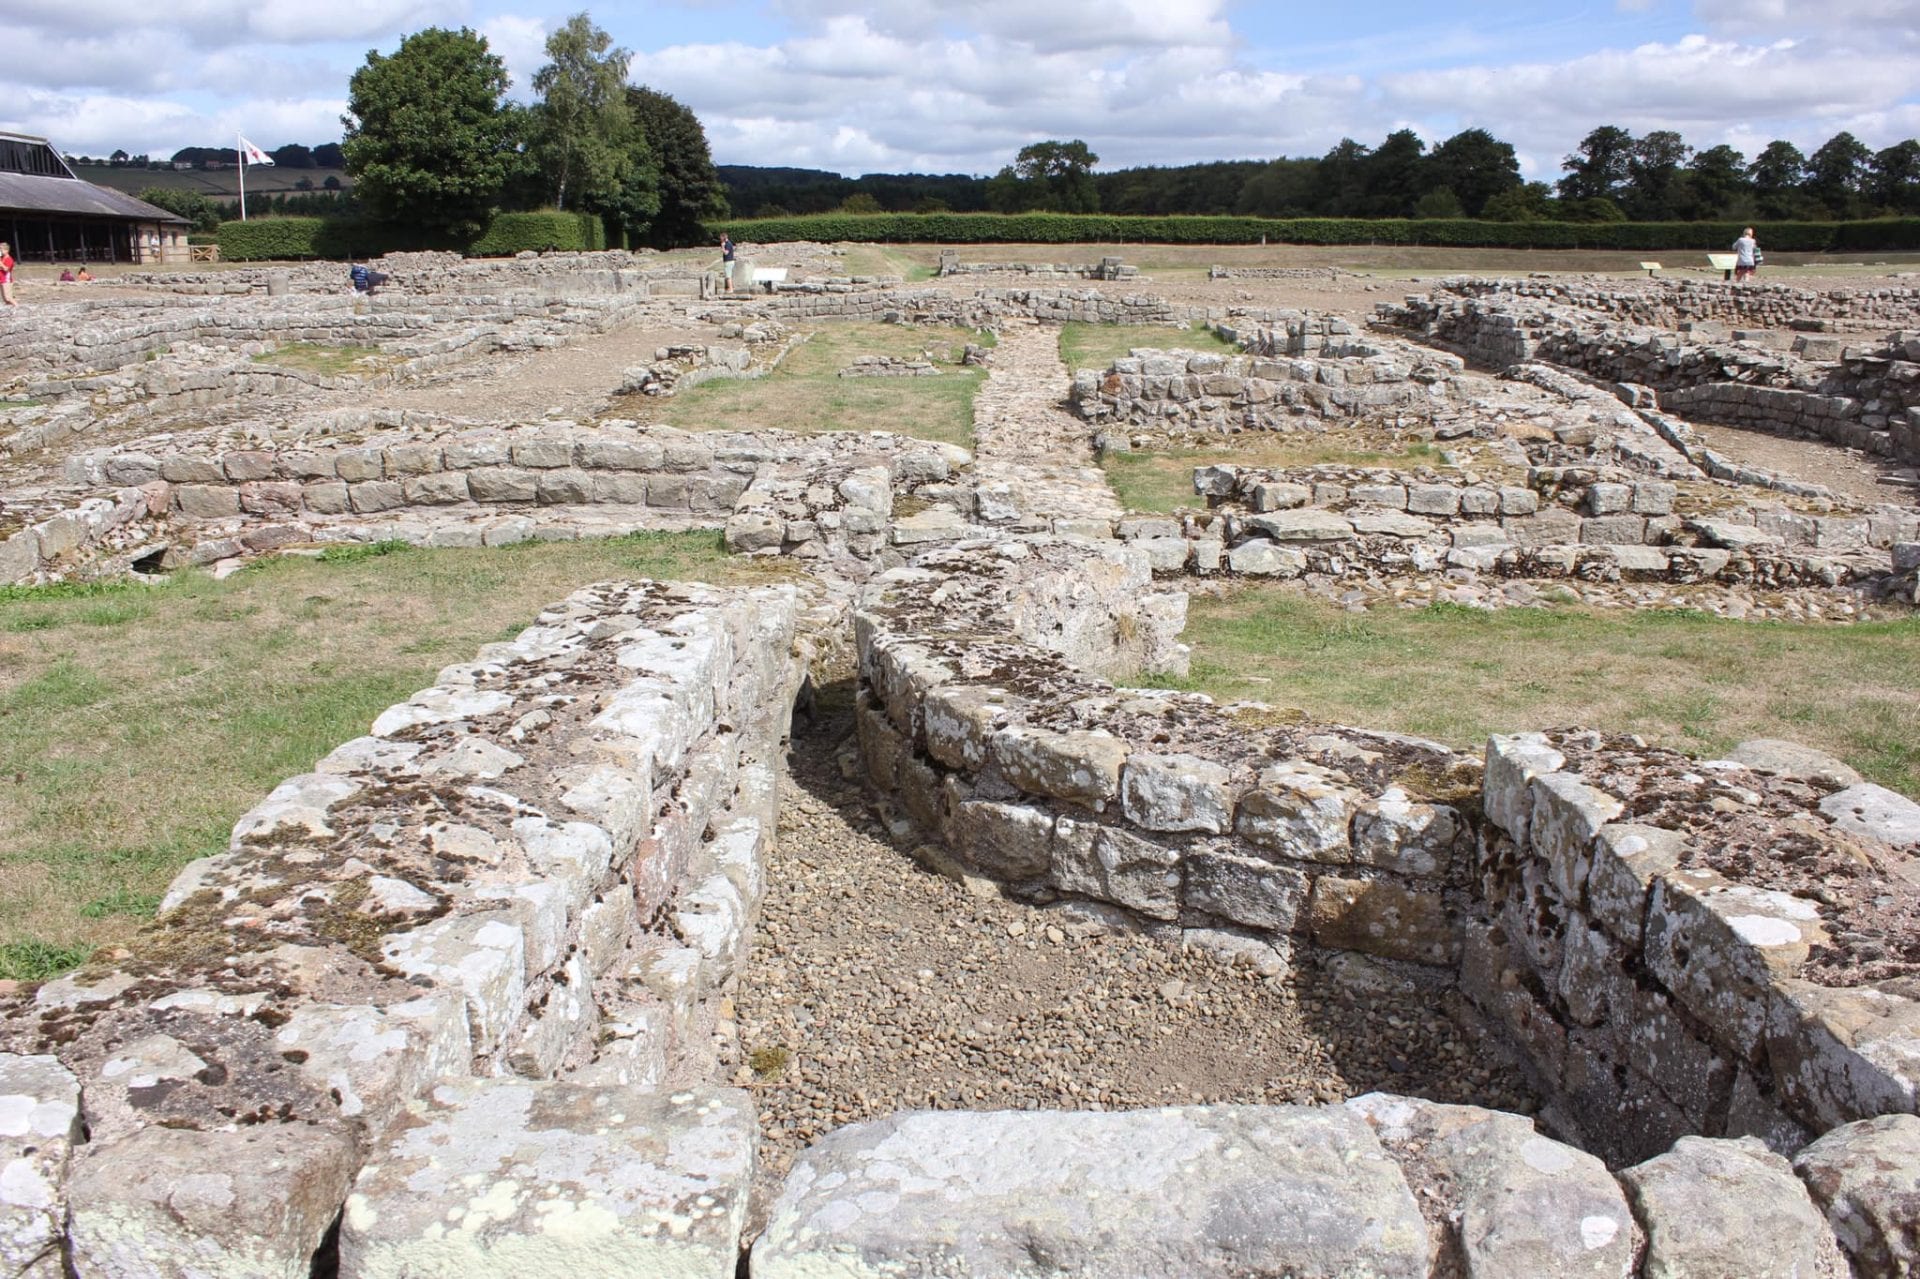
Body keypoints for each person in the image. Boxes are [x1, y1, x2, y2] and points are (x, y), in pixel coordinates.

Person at [0, 242, 15, 307]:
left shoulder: (9, 259)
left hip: (7, 280)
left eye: (1, 250)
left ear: (6, 250)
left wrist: (1, 264)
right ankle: (11, 309)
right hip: (2, 279)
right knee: (5, 299)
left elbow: (6, 269)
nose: (0, 251)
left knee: (8, 298)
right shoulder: (2, 258)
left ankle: (17, 306)